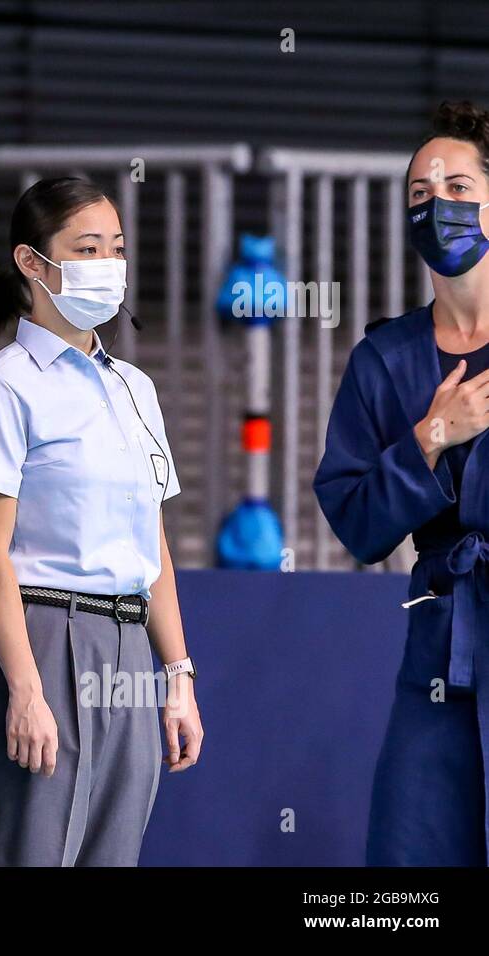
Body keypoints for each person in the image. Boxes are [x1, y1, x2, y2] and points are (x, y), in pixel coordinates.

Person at [0, 177, 202, 866]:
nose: (107, 265)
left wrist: (178, 675)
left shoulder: (134, 389)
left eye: (115, 248)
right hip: (44, 635)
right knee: (34, 850)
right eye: (86, 248)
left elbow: (153, 547)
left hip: (127, 644)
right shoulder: (2, 390)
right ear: (32, 263)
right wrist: (26, 689)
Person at [316, 99, 489, 866]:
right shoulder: (386, 359)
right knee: (415, 851)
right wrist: (430, 440)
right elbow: (356, 522)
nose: (437, 205)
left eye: (456, 187)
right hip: (444, 643)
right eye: (421, 195)